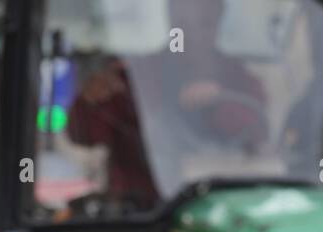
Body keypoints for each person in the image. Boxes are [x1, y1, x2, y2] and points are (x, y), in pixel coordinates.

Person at [65, 0, 268, 209]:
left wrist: (217, 103)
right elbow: (82, 135)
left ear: (218, 22)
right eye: (182, 25)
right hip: (145, 216)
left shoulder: (240, 80)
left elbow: (257, 137)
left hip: (223, 210)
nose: (193, 34)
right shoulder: (136, 76)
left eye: (204, 23)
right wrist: (91, 98)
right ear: (170, 24)